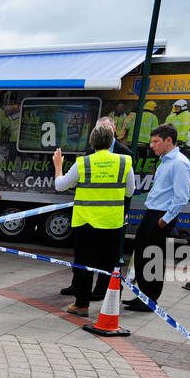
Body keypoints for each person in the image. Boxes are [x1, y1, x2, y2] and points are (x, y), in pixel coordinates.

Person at [52, 123, 135, 318]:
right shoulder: (124, 162)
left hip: (86, 223)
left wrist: (58, 166)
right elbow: (130, 191)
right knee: (112, 265)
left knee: (83, 265)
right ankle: (112, 304)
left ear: (92, 142)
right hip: (113, 223)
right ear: (112, 140)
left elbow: (60, 186)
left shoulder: (83, 162)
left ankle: (81, 305)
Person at [129, 124, 190, 310]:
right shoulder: (165, 161)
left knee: (152, 258)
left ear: (168, 140)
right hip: (152, 213)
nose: (152, 145)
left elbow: (182, 196)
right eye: (152, 141)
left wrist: (165, 219)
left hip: (160, 216)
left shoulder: (179, 162)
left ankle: (150, 300)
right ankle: (142, 295)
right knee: (141, 256)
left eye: (156, 141)